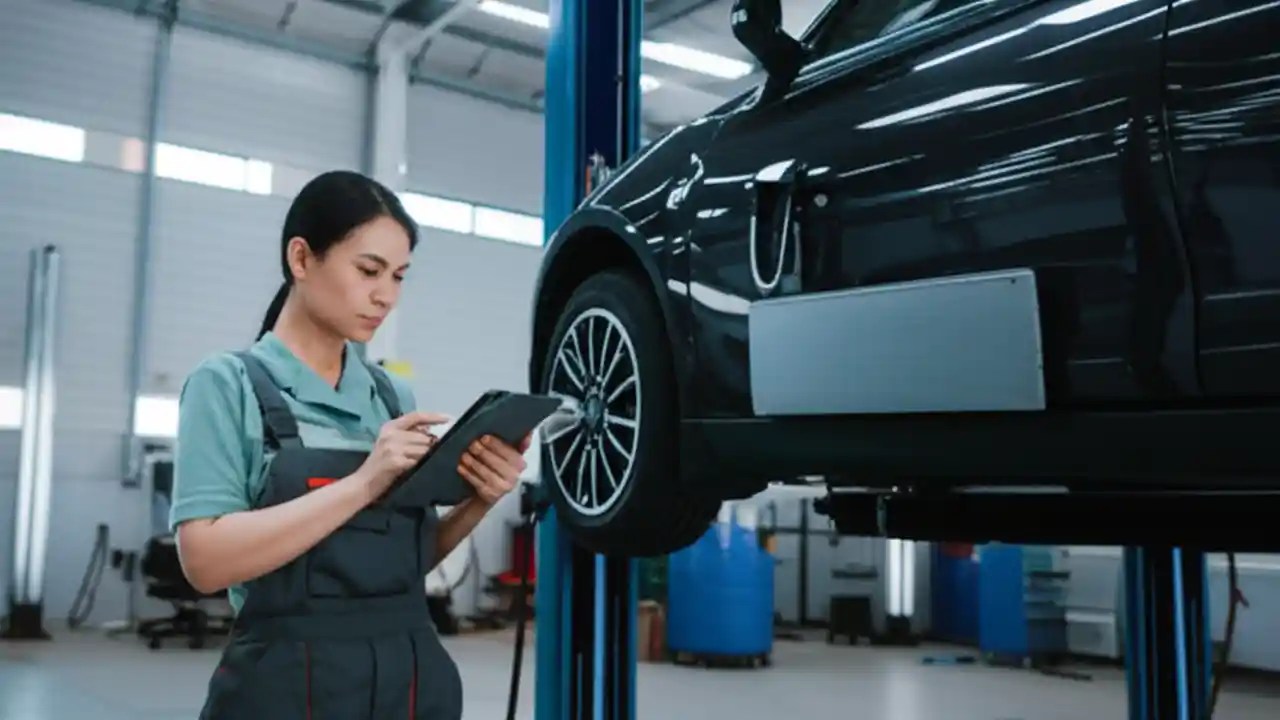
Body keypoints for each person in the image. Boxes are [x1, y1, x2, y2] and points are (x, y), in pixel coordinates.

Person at [169, 169, 529, 719]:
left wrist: (481, 497)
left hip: (408, 679)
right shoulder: (228, 384)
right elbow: (205, 562)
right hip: (287, 686)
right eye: (368, 271)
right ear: (301, 259)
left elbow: (403, 561)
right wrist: (364, 483)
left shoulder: (390, 395)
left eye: (400, 277)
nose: (385, 296)